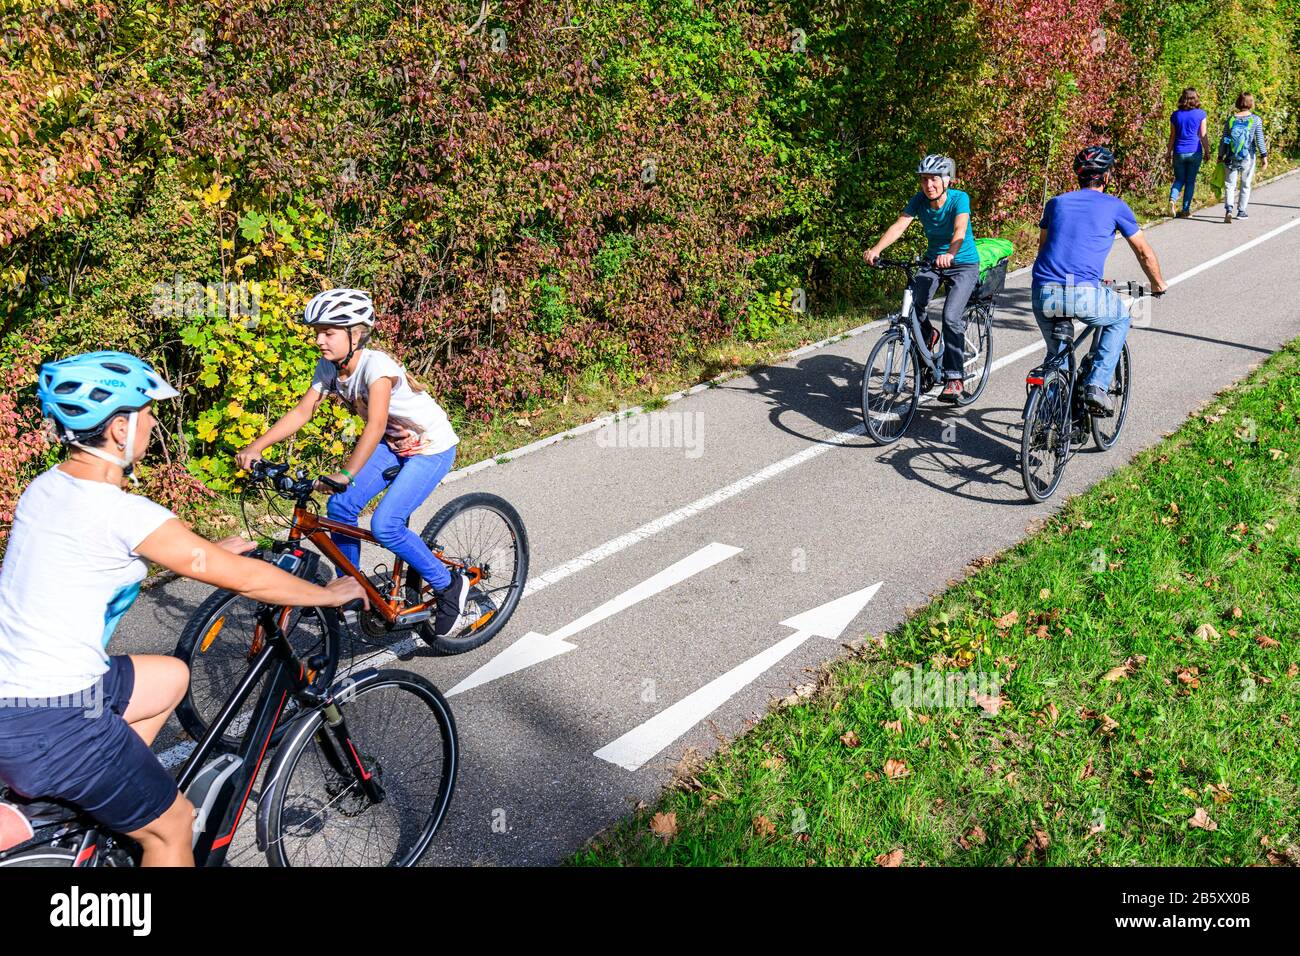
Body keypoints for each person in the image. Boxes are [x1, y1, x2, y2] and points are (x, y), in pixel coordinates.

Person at [0, 351, 364, 866]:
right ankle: (145, 827)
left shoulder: (45, 489)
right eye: (147, 413)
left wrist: (208, 552)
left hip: (19, 700)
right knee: (175, 829)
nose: (152, 422)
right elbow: (242, 578)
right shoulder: (120, 511)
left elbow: (92, 559)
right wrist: (328, 594)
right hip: (57, 722)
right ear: (120, 428)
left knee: (170, 677)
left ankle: (108, 813)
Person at [235, 288, 468, 638]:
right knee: (340, 505)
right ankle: (352, 587)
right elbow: (303, 411)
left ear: (355, 334)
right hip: (392, 444)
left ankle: (449, 583)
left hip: (429, 447)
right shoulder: (329, 368)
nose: (319, 340)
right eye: (317, 332)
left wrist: (346, 473)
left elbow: (374, 425)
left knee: (385, 525)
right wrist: (257, 446)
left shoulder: (377, 368)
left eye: (328, 333)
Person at [1032, 146, 1168, 415]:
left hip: (1043, 290)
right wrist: (1157, 284)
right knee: (1119, 318)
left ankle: (1044, 426)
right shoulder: (1115, 206)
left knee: (1057, 357)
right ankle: (1096, 385)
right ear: (1106, 177)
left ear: (1078, 176)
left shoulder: (1056, 203)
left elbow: (1044, 247)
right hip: (1082, 292)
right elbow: (1143, 251)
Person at [865, 154, 980, 401]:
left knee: (951, 316)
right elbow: (900, 225)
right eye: (924, 180)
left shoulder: (960, 199)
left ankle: (954, 378)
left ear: (946, 181)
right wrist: (877, 249)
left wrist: (950, 252)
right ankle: (929, 337)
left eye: (934, 179)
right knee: (913, 306)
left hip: (962, 263)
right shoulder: (919, 200)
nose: (929, 185)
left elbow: (960, 229)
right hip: (933, 262)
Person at [1220, 92, 1269, 223]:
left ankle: (1229, 209)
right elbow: (1259, 140)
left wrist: (1221, 154)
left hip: (1230, 156)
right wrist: (1264, 156)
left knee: (1230, 184)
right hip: (1248, 156)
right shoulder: (1255, 120)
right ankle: (1241, 211)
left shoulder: (1231, 119)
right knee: (1245, 184)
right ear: (1251, 103)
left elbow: (1225, 139)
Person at [1167, 87, 1210, 218]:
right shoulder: (1201, 114)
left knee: (1179, 178)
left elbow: (1172, 136)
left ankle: (1172, 199)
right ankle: (1185, 210)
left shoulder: (1175, 115)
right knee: (1190, 181)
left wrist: (1168, 152)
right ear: (1195, 99)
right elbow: (1203, 135)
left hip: (1179, 151)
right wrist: (1207, 151)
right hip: (1194, 151)